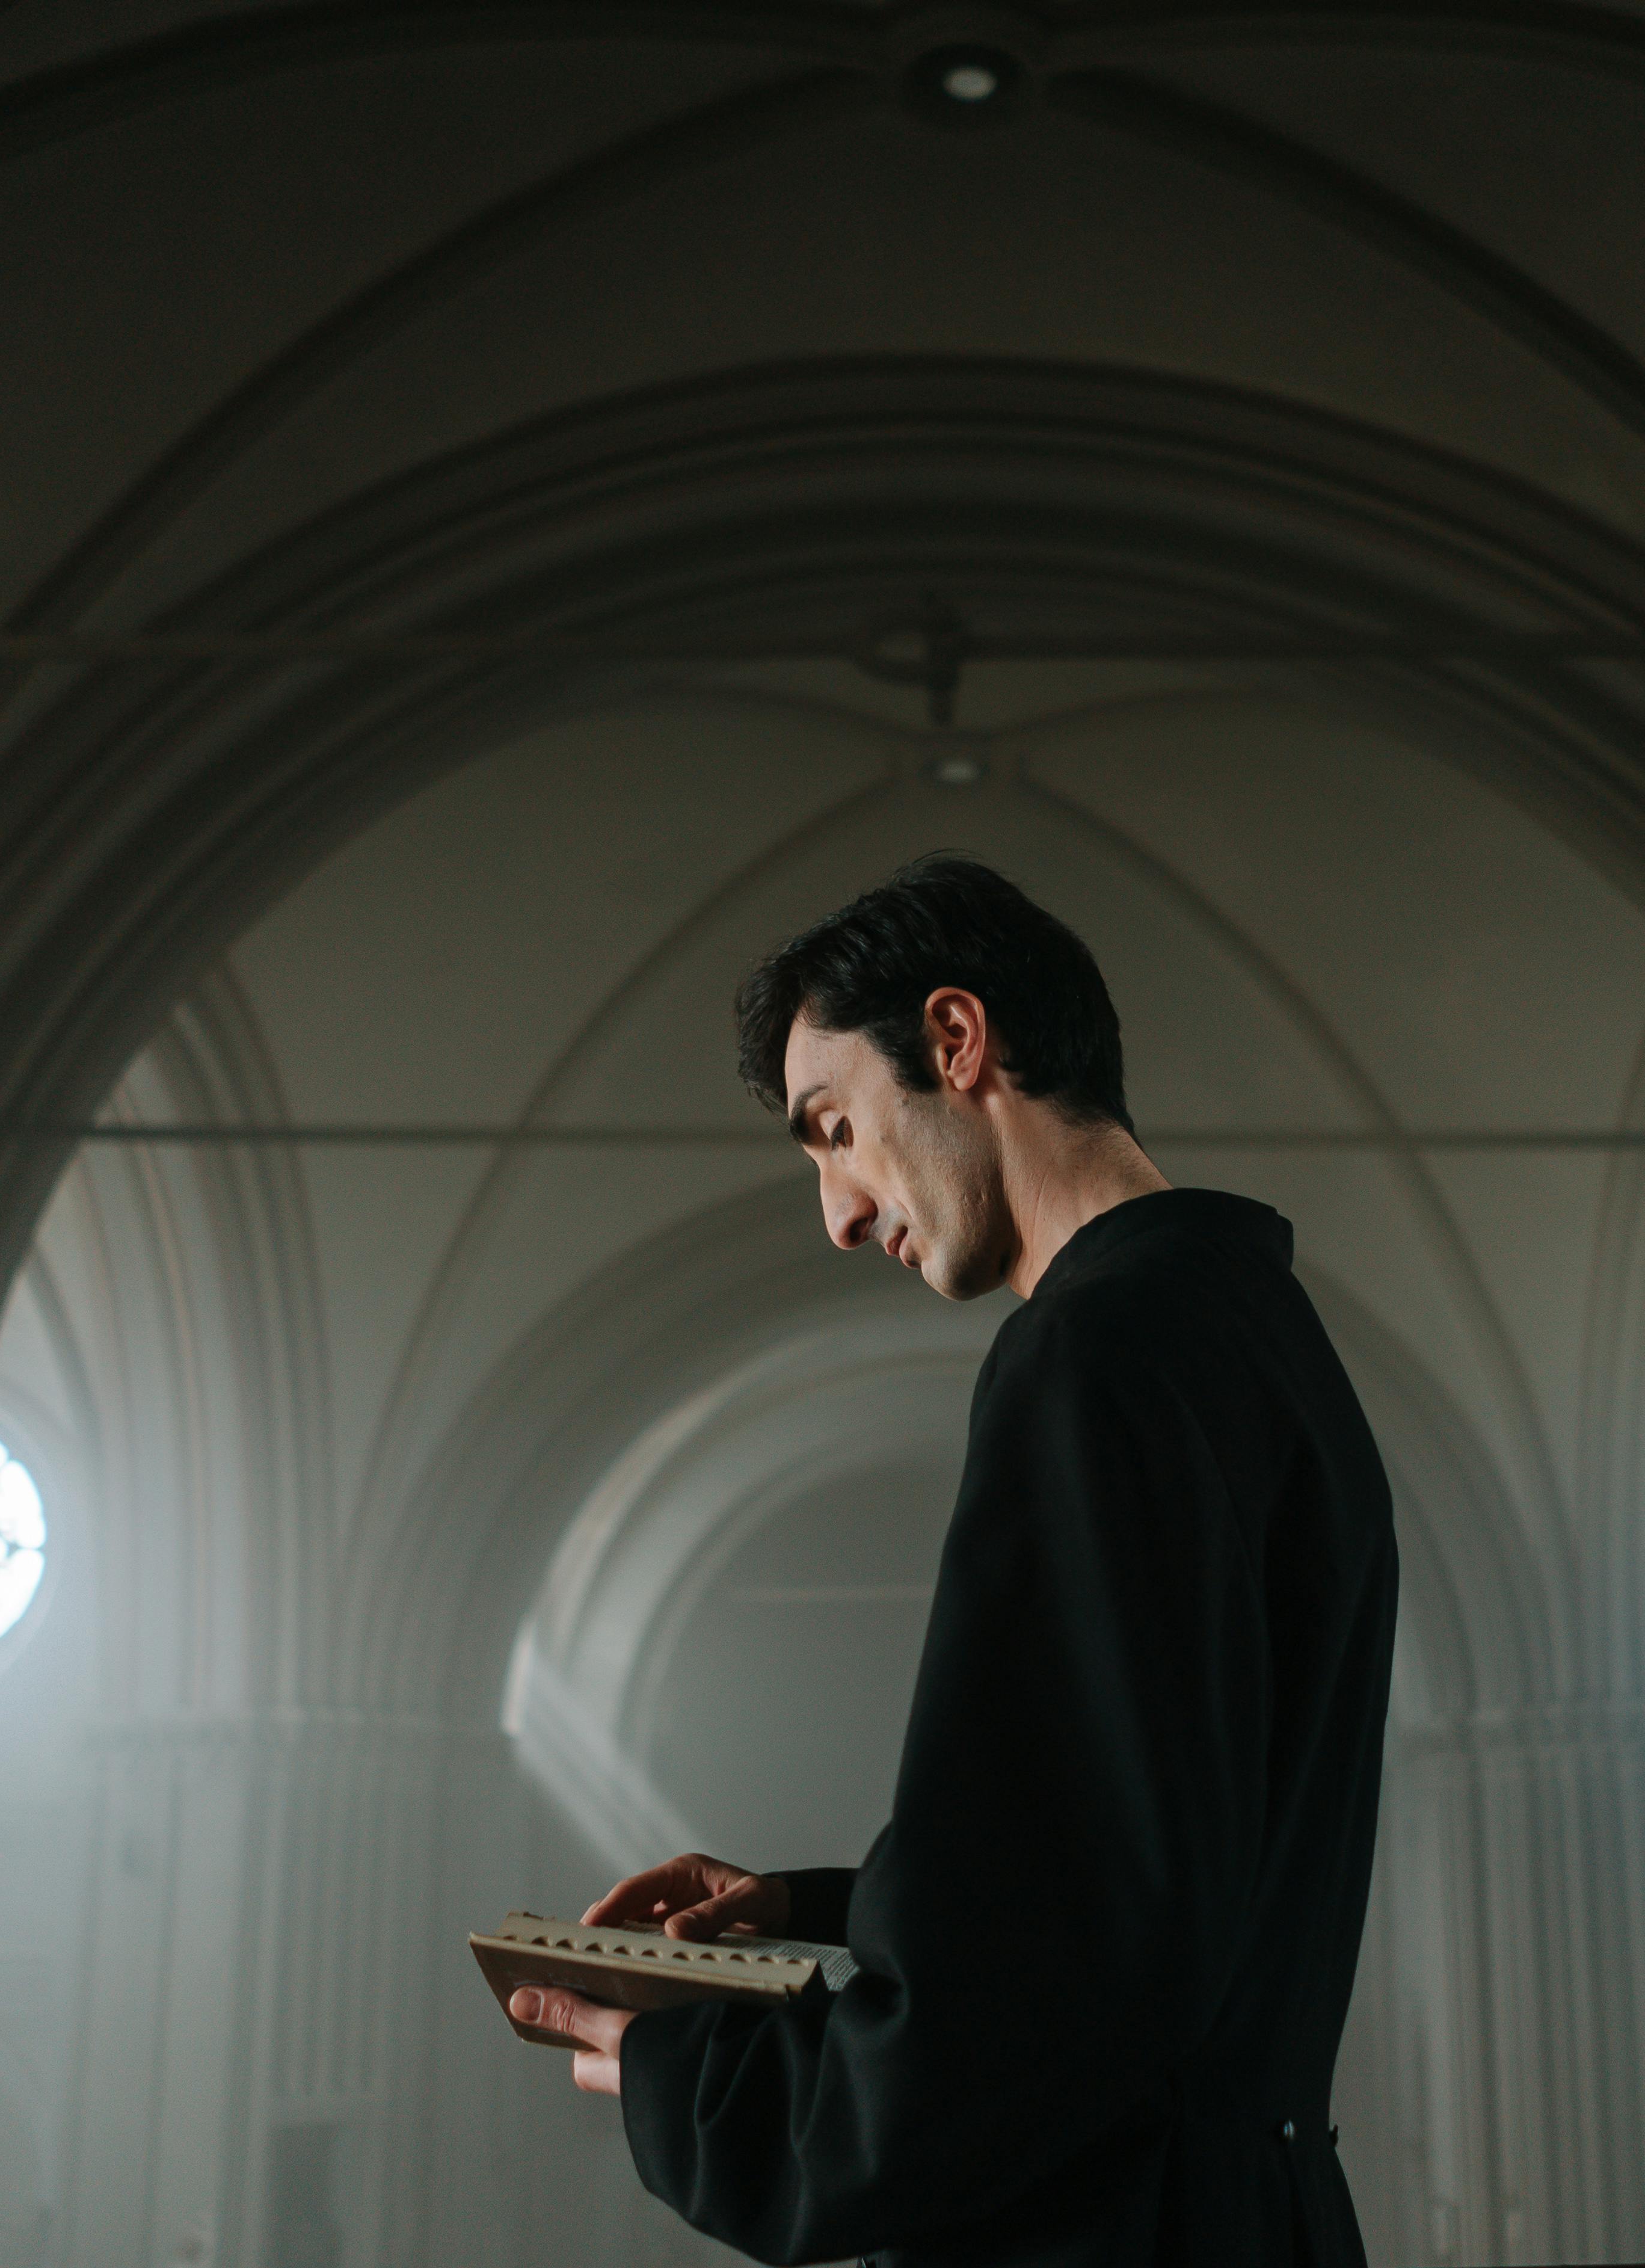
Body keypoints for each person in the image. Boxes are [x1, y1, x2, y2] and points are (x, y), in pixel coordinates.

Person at [509, 852, 1398, 2267]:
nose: (838, 1213)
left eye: (835, 1128)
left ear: (955, 1038)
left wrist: (685, 2076)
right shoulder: (1262, 1335)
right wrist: (819, 1908)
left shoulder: (1087, 1355)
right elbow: (1144, 1874)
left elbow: (1019, 2029)